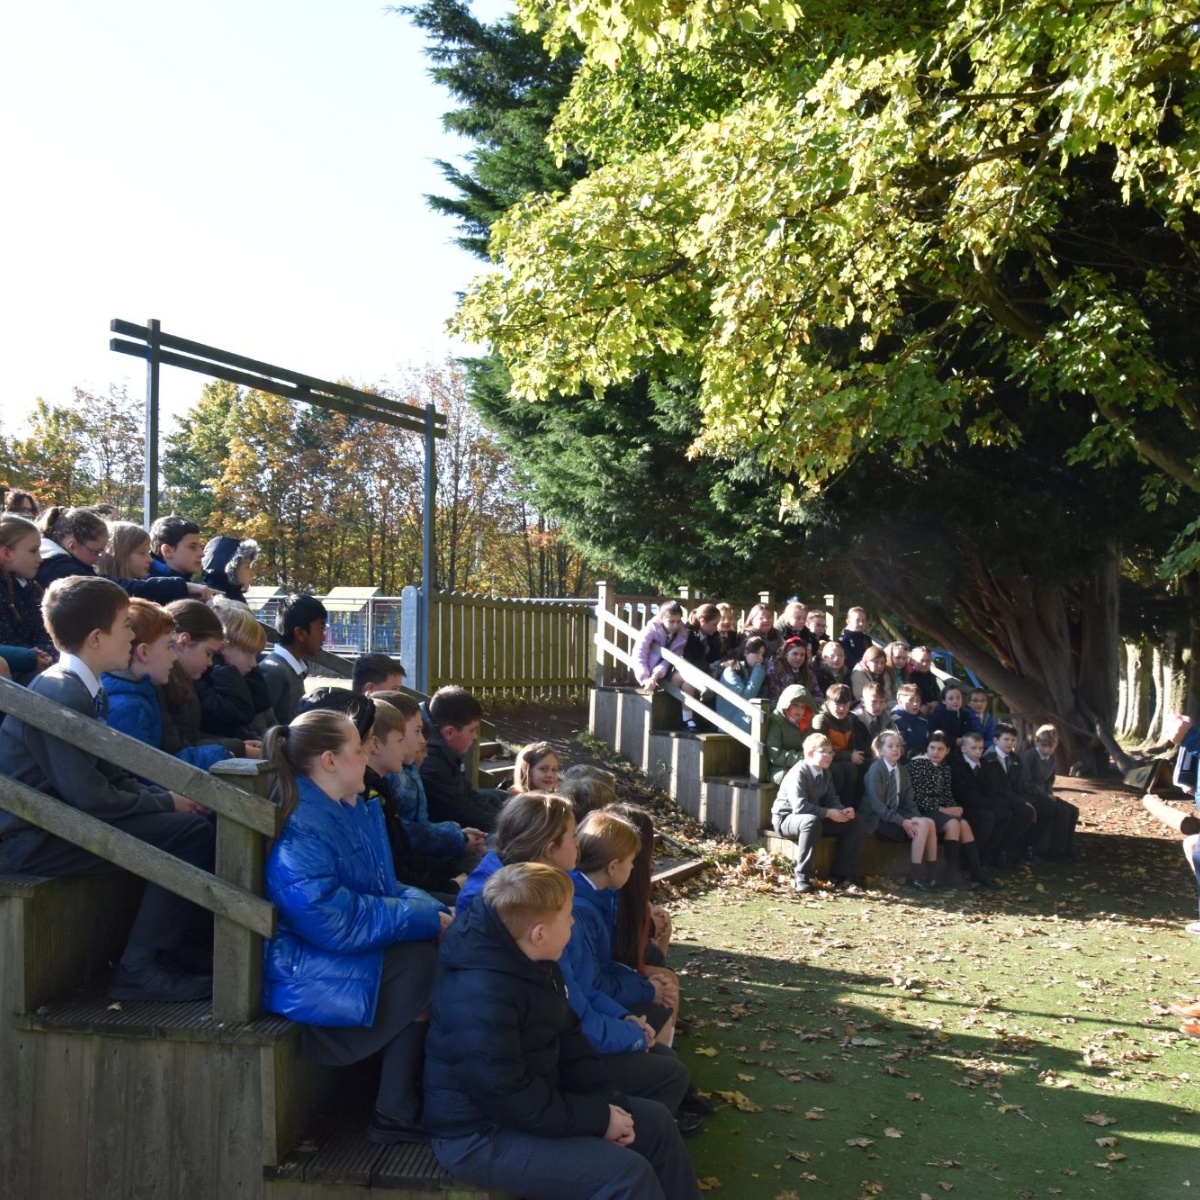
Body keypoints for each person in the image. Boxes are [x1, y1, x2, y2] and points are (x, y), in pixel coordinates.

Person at [423, 863, 702, 1200]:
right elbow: (510, 1098)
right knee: (626, 1174)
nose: (573, 923)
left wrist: (608, 1105)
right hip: (479, 1135)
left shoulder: (532, 960)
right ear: (539, 933)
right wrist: (598, 1120)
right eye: (568, 916)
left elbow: (571, 1043)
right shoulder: (480, 995)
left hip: (532, 1107)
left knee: (654, 1123)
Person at [0, 576, 215, 1002]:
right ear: (96, 638)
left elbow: (106, 776)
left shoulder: (79, 685)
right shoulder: (61, 692)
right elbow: (91, 796)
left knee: (189, 825)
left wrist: (165, 801)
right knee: (192, 836)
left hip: (60, 822)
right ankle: (139, 967)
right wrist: (164, 802)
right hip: (32, 837)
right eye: (125, 626)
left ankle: (166, 948)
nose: (133, 634)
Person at [261, 708, 450, 1145]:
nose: (367, 756)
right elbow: (331, 919)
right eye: (359, 749)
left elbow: (386, 887)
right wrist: (423, 918)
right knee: (421, 964)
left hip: (335, 957)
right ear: (330, 760)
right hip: (306, 974)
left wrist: (432, 912)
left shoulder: (345, 810)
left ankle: (406, 1101)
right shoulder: (304, 825)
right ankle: (396, 1110)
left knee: (434, 951)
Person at [102, 598, 232, 770]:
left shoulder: (142, 692)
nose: (174, 656)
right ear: (143, 652)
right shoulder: (128, 706)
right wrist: (216, 754)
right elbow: (149, 772)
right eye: (168, 647)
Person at [374, 692, 486, 867]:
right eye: (417, 731)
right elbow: (405, 834)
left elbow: (421, 824)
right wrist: (459, 838)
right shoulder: (388, 780)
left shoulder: (410, 769)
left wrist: (459, 834)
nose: (422, 741)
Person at [456, 790, 579, 915]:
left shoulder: (530, 879)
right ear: (551, 849)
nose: (577, 842)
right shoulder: (500, 905)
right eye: (574, 835)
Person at [161, 599, 255, 759]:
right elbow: (174, 748)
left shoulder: (184, 680)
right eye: (208, 653)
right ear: (184, 642)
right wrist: (240, 749)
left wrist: (239, 744)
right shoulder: (162, 681)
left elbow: (191, 735)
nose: (210, 662)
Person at [771, 733, 864, 894]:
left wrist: (842, 811)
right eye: (824, 752)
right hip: (786, 819)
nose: (829, 756)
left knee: (855, 822)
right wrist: (828, 813)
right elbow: (799, 807)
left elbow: (831, 798)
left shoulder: (825, 773)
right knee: (811, 822)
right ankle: (801, 876)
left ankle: (842, 874)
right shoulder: (799, 773)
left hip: (813, 816)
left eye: (831, 752)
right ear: (810, 754)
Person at [907, 732, 998, 889]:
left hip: (940, 811)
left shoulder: (945, 768)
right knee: (953, 824)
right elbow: (916, 798)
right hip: (923, 810)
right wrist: (944, 809)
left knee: (964, 825)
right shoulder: (917, 765)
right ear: (927, 748)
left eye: (940, 749)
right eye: (932, 748)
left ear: (947, 751)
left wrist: (954, 808)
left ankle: (977, 872)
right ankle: (951, 874)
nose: (936, 752)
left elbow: (947, 794)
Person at [421, 685, 509, 831]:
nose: (475, 736)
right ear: (449, 732)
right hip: (445, 829)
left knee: (501, 798)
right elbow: (460, 812)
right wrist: (508, 826)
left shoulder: (442, 746)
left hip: (457, 811)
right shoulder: (431, 762)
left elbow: (467, 793)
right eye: (472, 730)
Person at [861, 730, 939, 890]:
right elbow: (878, 807)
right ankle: (916, 876)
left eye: (898, 746)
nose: (896, 749)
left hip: (895, 813)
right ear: (881, 751)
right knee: (922, 825)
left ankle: (932, 874)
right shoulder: (876, 769)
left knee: (928, 822)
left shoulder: (902, 770)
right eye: (890, 746)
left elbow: (909, 802)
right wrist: (903, 822)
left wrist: (916, 818)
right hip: (877, 819)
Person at [195, 596, 278, 742]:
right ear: (223, 647)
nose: (254, 664)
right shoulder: (200, 679)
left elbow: (263, 708)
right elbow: (237, 713)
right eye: (250, 653)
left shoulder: (247, 675)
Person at [97, 519, 211, 603]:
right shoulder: (151, 594)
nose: (150, 559)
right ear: (119, 555)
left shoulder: (149, 587)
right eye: (142, 553)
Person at [259, 593, 328, 724]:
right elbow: (260, 727)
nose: (323, 637)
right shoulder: (273, 672)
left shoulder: (294, 668)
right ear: (300, 633)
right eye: (320, 628)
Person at [0, 513, 55, 678]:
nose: (40, 559)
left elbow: (40, 629)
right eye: (33, 551)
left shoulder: (27, 584)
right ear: (6, 554)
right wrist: (30, 657)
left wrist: (46, 651)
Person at [632, 601, 697, 729]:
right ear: (662, 619)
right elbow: (639, 654)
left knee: (689, 681)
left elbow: (673, 658)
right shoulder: (650, 630)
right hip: (646, 672)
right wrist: (645, 678)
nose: (675, 625)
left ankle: (687, 718)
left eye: (678, 621)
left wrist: (657, 674)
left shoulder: (682, 634)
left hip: (664, 672)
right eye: (671, 621)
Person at [1018, 724, 1079, 860]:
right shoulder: (1029, 757)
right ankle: (1056, 850)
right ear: (1037, 742)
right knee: (1061, 811)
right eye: (1044, 745)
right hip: (1030, 795)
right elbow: (1026, 783)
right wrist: (1045, 795)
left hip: (1044, 793)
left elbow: (1049, 779)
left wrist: (1049, 793)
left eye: (1051, 746)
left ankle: (1069, 847)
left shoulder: (1051, 758)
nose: (1047, 750)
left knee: (1073, 810)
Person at [979, 724, 1036, 866]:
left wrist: (1023, 800)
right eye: (1006, 739)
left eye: (1013, 740)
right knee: (1017, 812)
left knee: (1031, 810)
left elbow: (1016, 785)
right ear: (996, 740)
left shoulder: (1015, 759)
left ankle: (1009, 849)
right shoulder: (989, 759)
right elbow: (996, 787)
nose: (1010, 743)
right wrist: (1021, 802)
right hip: (994, 797)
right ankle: (998, 850)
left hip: (1010, 796)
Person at [811, 683, 869, 805]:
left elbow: (851, 745)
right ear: (827, 703)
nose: (842, 709)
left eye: (845, 704)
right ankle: (832, 807)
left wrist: (853, 754)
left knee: (856, 768)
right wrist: (849, 756)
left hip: (841, 758)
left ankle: (849, 807)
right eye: (837, 704)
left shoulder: (848, 720)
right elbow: (820, 749)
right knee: (837, 771)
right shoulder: (821, 720)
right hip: (825, 759)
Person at [34, 506, 108, 588]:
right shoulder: (61, 569)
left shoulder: (56, 559)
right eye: (96, 552)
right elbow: (101, 589)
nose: (99, 557)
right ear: (72, 546)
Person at [765, 683, 817, 784]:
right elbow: (774, 755)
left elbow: (812, 748)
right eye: (795, 705)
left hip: (803, 765)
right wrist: (804, 757)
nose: (799, 710)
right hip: (778, 769)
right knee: (799, 778)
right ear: (787, 705)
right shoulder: (776, 720)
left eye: (803, 707)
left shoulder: (806, 722)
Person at [714, 635, 767, 732]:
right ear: (746, 652)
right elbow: (745, 698)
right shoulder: (731, 671)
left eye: (763, 655)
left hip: (746, 719)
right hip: (731, 723)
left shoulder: (754, 671)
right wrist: (758, 672)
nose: (760, 658)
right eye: (757, 653)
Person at [199, 535, 259, 604]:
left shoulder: (234, 598)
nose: (252, 574)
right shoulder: (219, 608)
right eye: (247, 566)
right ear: (232, 568)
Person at [148, 514, 204, 581]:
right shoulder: (154, 590)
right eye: (192, 547)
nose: (201, 554)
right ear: (167, 551)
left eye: (199, 546)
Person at [766, 636, 821, 703]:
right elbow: (774, 695)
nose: (799, 658)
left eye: (802, 655)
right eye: (795, 654)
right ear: (786, 654)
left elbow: (818, 695)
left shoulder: (809, 674)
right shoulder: (776, 670)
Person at [891, 683, 929, 758]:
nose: (915, 704)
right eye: (910, 700)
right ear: (900, 702)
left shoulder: (922, 720)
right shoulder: (896, 719)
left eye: (918, 700)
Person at [929, 682, 972, 747]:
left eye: (958, 698)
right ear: (944, 701)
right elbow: (935, 736)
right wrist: (955, 741)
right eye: (951, 699)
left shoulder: (964, 713)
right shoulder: (937, 716)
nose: (955, 701)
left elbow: (969, 731)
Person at [907, 645, 943, 715]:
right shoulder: (909, 675)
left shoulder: (930, 676)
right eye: (921, 660)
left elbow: (937, 693)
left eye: (928, 661)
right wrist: (926, 704)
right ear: (913, 661)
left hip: (931, 706)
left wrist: (936, 702)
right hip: (916, 706)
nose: (925, 664)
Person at [837, 606, 873, 671]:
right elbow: (850, 660)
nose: (861, 623)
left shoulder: (867, 639)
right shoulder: (843, 640)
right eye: (857, 620)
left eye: (863, 620)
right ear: (848, 621)